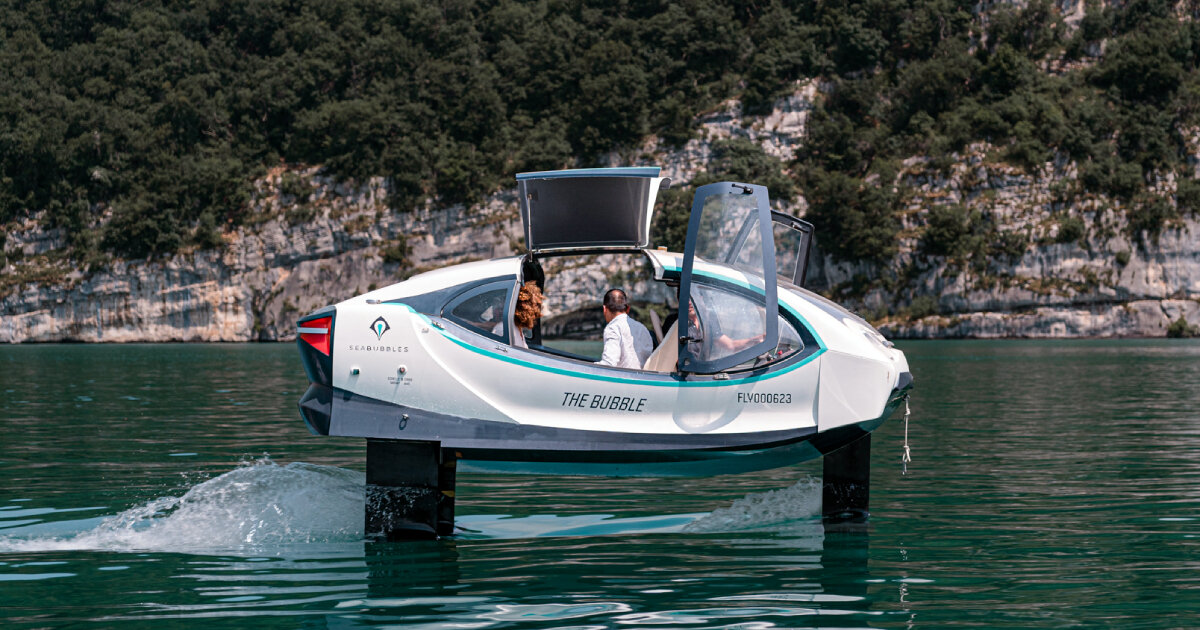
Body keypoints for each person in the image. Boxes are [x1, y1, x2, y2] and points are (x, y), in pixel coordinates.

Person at [596, 288, 653, 369]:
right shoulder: (642, 328)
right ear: (628, 309)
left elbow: (609, 363)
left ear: (604, 309)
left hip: (624, 379)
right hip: (643, 378)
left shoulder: (612, 328)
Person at [495, 281, 543, 348]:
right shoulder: (503, 329)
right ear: (525, 308)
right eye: (535, 306)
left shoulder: (516, 328)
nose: (537, 311)